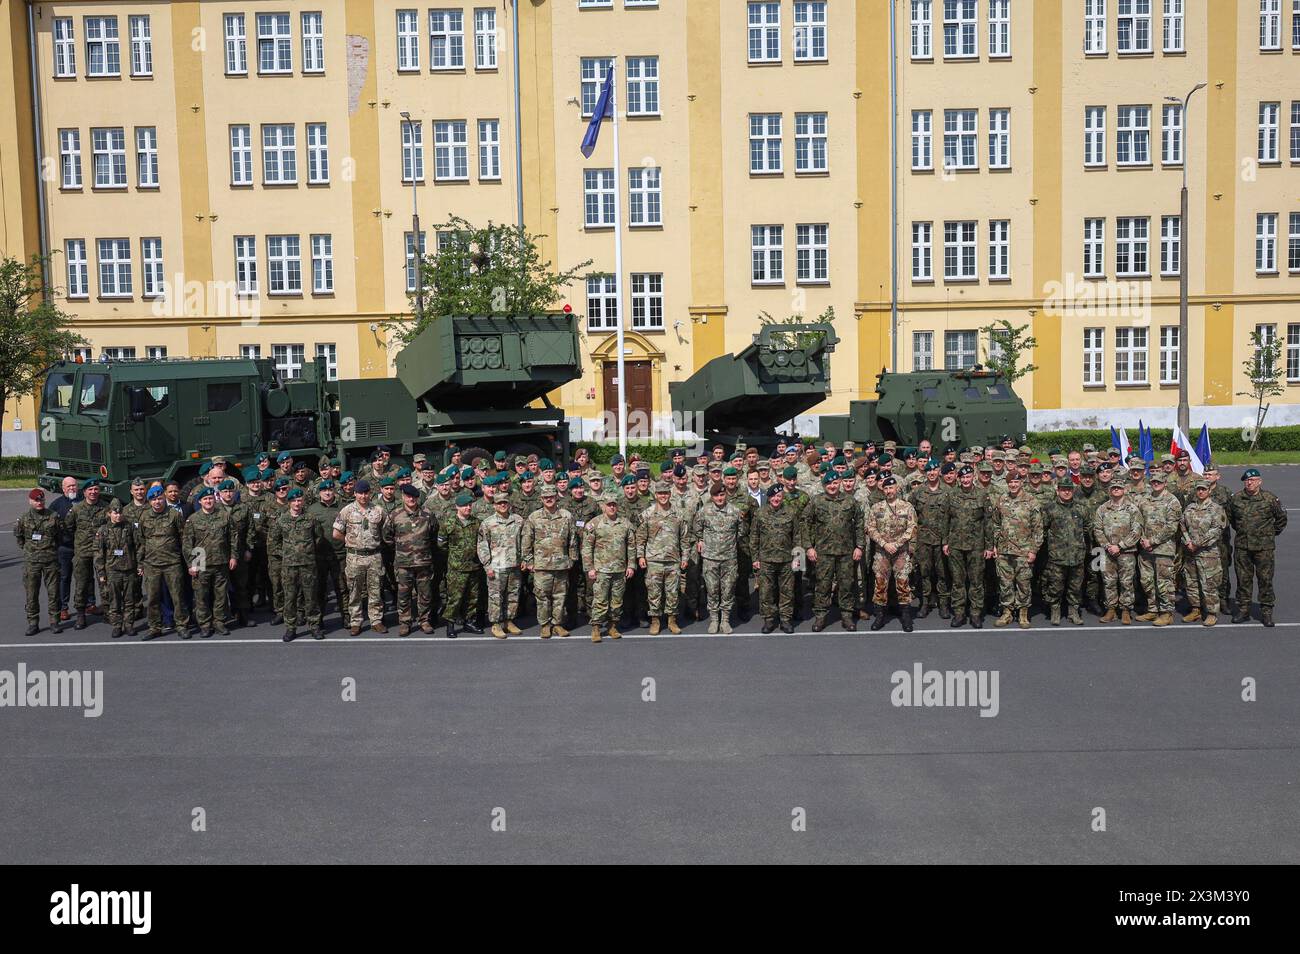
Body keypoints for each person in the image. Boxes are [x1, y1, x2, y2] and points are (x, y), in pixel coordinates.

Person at [802, 472, 863, 632]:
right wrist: (808, 547)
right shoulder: (817, 501)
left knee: (846, 584)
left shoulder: (850, 501)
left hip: (846, 552)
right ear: (824, 485)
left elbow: (859, 523)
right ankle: (821, 617)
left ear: (840, 483)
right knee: (822, 585)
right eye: (828, 483)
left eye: (835, 483)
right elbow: (805, 523)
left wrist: (860, 546)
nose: (832, 486)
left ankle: (847, 616)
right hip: (824, 551)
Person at [1227, 467, 1287, 626]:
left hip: (1264, 548)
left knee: (1265, 580)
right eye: (1247, 480)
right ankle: (1244, 610)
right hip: (1243, 547)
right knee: (1243, 580)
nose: (1249, 482)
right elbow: (1232, 519)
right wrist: (1243, 532)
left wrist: (1270, 534)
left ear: (1260, 481)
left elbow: (1281, 519)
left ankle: (1266, 612)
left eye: (1253, 480)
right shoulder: (1236, 499)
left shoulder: (1269, 499)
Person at [136, 485, 193, 640]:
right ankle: (155, 627)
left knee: (178, 596)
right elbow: (141, 541)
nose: (157, 502)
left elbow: (184, 539)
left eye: (160, 498)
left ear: (164, 499)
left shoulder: (174, 514)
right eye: (154, 499)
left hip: (172, 563)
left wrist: (190, 563)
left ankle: (182, 625)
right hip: (151, 565)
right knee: (153, 598)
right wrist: (140, 563)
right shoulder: (144, 517)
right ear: (149, 501)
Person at [332, 480, 388, 635]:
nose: (363, 496)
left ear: (370, 493)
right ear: (355, 493)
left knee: (375, 590)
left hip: (374, 556)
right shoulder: (347, 511)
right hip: (355, 557)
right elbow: (336, 533)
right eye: (360, 493)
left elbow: (387, 530)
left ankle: (376, 620)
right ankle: (355, 621)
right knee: (355, 590)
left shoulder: (378, 510)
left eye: (366, 493)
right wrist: (349, 541)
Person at [522, 484, 578, 638]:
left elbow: (572, 539)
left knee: (560, 596)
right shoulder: (534, 517)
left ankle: (557, 624)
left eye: (551, 497)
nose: (549, 500)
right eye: (546, 497)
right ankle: (545, 625)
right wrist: (529, 561)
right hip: (541, 565)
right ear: (541, 499)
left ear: (556, 497)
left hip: (561, 564)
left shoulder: (566, 516)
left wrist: (572, 559)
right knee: (542, 596)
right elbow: (527, 540)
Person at [989, 473, 1043, 628]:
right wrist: (995, 544)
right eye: (1010, 482)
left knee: (1023, 583)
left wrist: (1033, 550)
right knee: (1005, 583)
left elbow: (1038, 529)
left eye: (1016, 481)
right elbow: (996, 524)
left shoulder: (1031, 501)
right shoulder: (1002, 500)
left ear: (1021, 482)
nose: (1013, 484)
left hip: (1024, 551)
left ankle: (1023, 613)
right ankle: (1007, 612)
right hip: (1004, 550)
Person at [182, 487, 237, 637]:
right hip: (200, 560)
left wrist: (233, 556)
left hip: (221, 560)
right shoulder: (193, 519)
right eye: (205, 499)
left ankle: (219, 622)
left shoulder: (224, 516)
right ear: (200, 501)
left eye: (210, 498)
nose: (208, 501)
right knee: (201, 596)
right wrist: (191, 564)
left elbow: (233, 538)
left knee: (220, 595)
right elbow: (187, 544)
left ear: (215, 499)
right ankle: (205, 624)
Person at [272, 487, 326, 641]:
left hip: (308, 564)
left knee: (311, 597)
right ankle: (290, 628)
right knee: (290, 598)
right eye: (294, 500)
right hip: (289, 566)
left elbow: (319, 537)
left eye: (299, 500)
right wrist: (288, 554)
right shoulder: (281, 520)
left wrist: (308, 551)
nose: (297, 503)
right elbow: (273, 542)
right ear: (289, 502)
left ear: (303, 501)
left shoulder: (310, 518)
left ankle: (314, 626)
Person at [865, 476, 918, 632]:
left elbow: (912, 528)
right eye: (886, 488)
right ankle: (880, 616)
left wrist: (896, 544)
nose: (889, 491)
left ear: (897, 489)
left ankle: (906, 616)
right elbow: (870, 528)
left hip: (901, 552)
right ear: (883, 490)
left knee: (903, 583)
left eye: (891, 488)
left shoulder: (907, 507)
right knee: (880, 583)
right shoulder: (876, 508)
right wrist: (884, 544)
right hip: (882, 552)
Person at [638, 481, 690, 635]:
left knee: (673, 593)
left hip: (673, 560)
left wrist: (685, 557)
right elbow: (641, 538)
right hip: (653, 560)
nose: (663, 496)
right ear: (656, 495)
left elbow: (685, 538)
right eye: (660, 493)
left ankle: (672, 621)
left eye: (665, 493)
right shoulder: (647, 514)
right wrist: (640, 556)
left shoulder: (679, 514)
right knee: (654, 593)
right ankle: (655, 621)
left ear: (670, 494)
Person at [384, 484, 436, 636]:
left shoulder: (427, 514)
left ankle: (424, 621)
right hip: (403, 563)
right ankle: (405, 622)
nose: (411, 499)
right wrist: (402, 549)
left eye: (414, 496)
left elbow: (434, 533)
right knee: (404, 594)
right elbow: (387, 537)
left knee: (425, 594)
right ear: (403, 497)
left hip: (423, 562)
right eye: (408, 496)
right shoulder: (395, 515)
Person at [942, 464, 990, 628]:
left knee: (976, 581)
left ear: (973, 477)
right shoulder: (952, 494)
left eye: (968, 477)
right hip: (955, 544)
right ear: (958, 478)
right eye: (963, 477)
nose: (966, 480)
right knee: (957, 581)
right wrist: (945, 542)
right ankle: (959, 613)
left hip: (976, 545)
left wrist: (989, 546)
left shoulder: (982, 495)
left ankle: (975, 614)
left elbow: (988, 522)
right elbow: (946, 520)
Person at [583, 497, 637, 642]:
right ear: (603, 506)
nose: (612, 507)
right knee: (600, 601)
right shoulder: (594, 523)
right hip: (601, 570)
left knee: (616, 602)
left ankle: (613, 626)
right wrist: (590, 568)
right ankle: (596, 628)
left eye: (614, 505)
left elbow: (631, 546)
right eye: (609, 505)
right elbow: (587, 548)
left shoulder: (625, 523)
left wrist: (631, 565)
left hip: (620, 570)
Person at [1040, 478, 1091, 625]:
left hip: (1077, 555)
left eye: (1069, 489)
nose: (1066, 491)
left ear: (1073, 490)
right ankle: (1055, 610)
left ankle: (1073, 612)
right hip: (1057, 556)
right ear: (1058, 491)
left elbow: (1087, 527)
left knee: (1075, 586)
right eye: (1063, 489)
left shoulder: (1081, 509)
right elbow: (1043, 529)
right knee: (1055, 586)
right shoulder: (1049, 509)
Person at [1135, 471, 1182, 626]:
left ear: (1165, 483)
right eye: (1154, 481)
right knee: (1147, 581)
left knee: (1164, 582)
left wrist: (1152, 541)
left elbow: (1171, 528)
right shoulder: (1144, 500)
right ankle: (1153, 610)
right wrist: (1142, 539)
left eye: (1159, 482)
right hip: (1145, 548)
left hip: (1163, 548)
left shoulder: (1172, 501)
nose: (1156, 484)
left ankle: (1167, 613)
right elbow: (1138, 521)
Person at [750, 483, 799, 634]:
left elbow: (797, 536)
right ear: (769, 497)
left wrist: (798, 559)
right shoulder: (760, 513)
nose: (776, 499)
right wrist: (755, 559)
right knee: (766, 592)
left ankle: (785, 620)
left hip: (786, 560)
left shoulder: (791, 512)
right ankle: (769, 620)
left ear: (782, 497)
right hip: (766, 559)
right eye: (773, 496)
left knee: (787, 591)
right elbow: (754, 537)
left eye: (779, 496)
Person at [1093, 482, 1143, 625]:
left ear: (1124, 490)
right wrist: (1108, 545)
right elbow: (1097, 529)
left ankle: (1126, 610)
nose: (1116, 490)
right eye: (1113, 488)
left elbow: (1137, 530)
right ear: (1109, 490)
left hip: (1126, 552)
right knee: (1108, 581)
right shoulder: (1102, 509)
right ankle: (1111, 609)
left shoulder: (1132, 509)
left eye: (1119, 488)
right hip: (1106, 552)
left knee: (1126, 581)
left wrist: (1120, 546)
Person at [15, 488, 63, 635]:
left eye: (41, 500)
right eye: (36, 500)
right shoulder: (23, 518)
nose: (39, 502)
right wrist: (31, 551)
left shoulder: (53, 516)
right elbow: (20, 538)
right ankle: (33, 622)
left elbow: (59, 536)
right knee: (32, 593)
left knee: (53, 593)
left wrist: (50, 549)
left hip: (50, 561)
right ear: (30, 501)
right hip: (32, 562)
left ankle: (54, 621)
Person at [1181, 479, 1227, 626]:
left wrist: (1197, 543)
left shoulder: (1216, 508)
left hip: (1208, 554)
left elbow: (1216, 530)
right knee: (1191, 582)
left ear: (1209, 491)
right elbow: (1182, 527)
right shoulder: (1189, 508)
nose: (1201, 492)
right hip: (1190, 553)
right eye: (1198, 489)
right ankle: (1196, 609)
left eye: (1204, 489)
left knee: (1209, 583)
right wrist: (1187, 541)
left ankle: (1212, 613)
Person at [66, 478, 111, 629]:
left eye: (96, 489)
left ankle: (108, 612)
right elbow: (69, 527)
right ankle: (80, 615)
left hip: (101, 552)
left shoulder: (106, 507)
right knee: (81, 583)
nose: (93, 492)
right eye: (90, 490)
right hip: (83, 551)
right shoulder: (77, 509)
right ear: (84, 492)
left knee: (104, 582)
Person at [478, 495, 525, 638]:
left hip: (514, 565)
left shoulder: (518, 520)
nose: (502, 505)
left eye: (505, 502)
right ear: (494, 505)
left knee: (513, 595)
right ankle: (496, 624)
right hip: (497, 566)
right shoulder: (488, 523)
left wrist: (525, 559)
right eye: (499, 503)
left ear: (509, 504)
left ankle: (509, 621)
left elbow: (524, 541)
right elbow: (482, 545)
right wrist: (487, 566)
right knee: (495, 597)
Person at [439, 492, 484, 637]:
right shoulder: (448, 523)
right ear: (457, 506)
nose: (468, 508)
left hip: (473, 566)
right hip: (456, 568)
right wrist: (455, 557)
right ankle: (450, 624)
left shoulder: (476, 522)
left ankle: (469, 622)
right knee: (455, 598)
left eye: (470, 505)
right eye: (465, 505)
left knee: (472, 597)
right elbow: (442, 545)